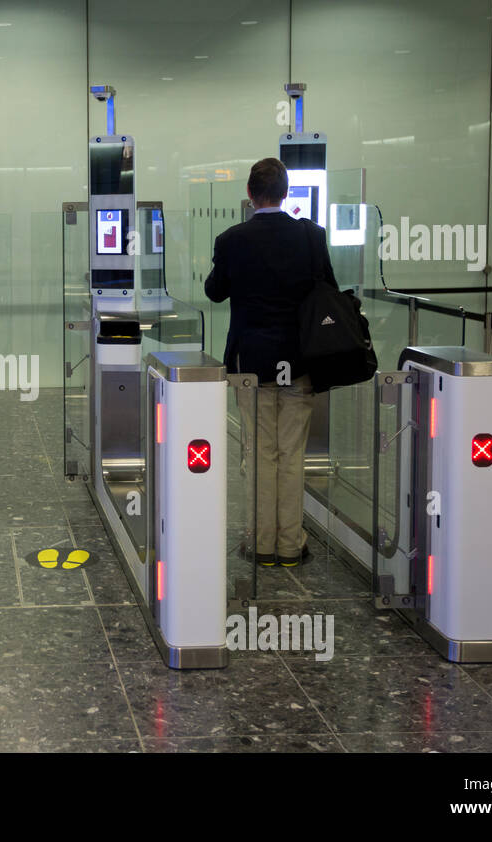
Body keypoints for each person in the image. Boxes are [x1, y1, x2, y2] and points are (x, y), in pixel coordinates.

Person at [203, 157, 337, 567]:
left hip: (251, 362)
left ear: (249, 194)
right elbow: (328, 290)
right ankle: (291, 545)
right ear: (286, 193)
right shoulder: (311, 237)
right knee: (291, 452)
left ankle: (262, 544)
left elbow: (214, 292)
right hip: (299, 360)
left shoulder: (232, 240)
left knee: (260, 450)